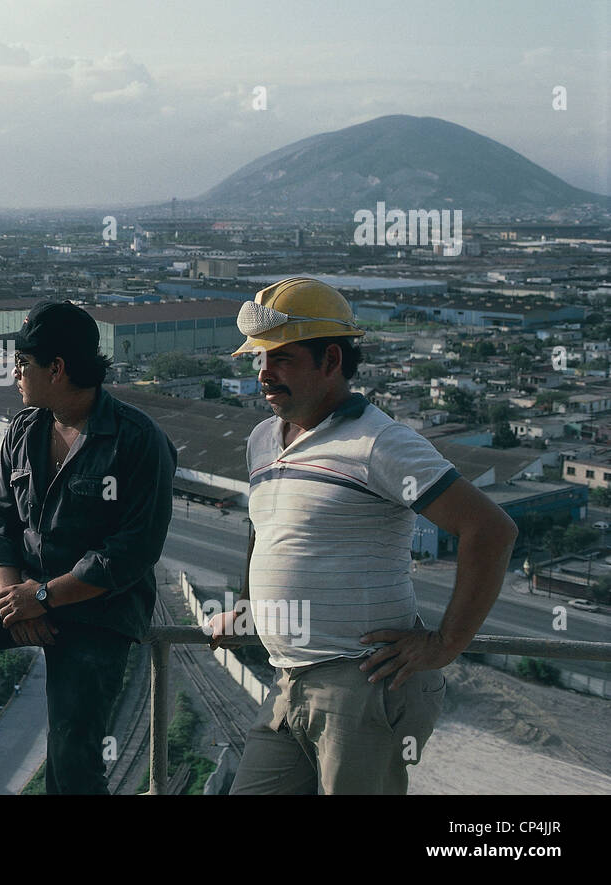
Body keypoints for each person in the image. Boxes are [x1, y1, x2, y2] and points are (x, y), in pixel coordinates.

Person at [207, 277, 517, 794]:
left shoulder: (380, 444)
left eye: (281, 359)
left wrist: (445, 644)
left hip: (362, 684)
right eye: (259, 359)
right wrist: (244, 610)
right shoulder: (263, 439)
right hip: (288, 680)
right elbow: (264, 534)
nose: (264, 374)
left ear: (330, 360)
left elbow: (489, 529)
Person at [0, 300, 177, 794]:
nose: (14, 374)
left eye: (22, 364)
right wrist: (13, 598)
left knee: (72, 764)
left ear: (57, 369)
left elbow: (130, 552)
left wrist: (44, 598)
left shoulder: (138, 441)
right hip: (21, 593)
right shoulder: (25, 429)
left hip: (96, 611)